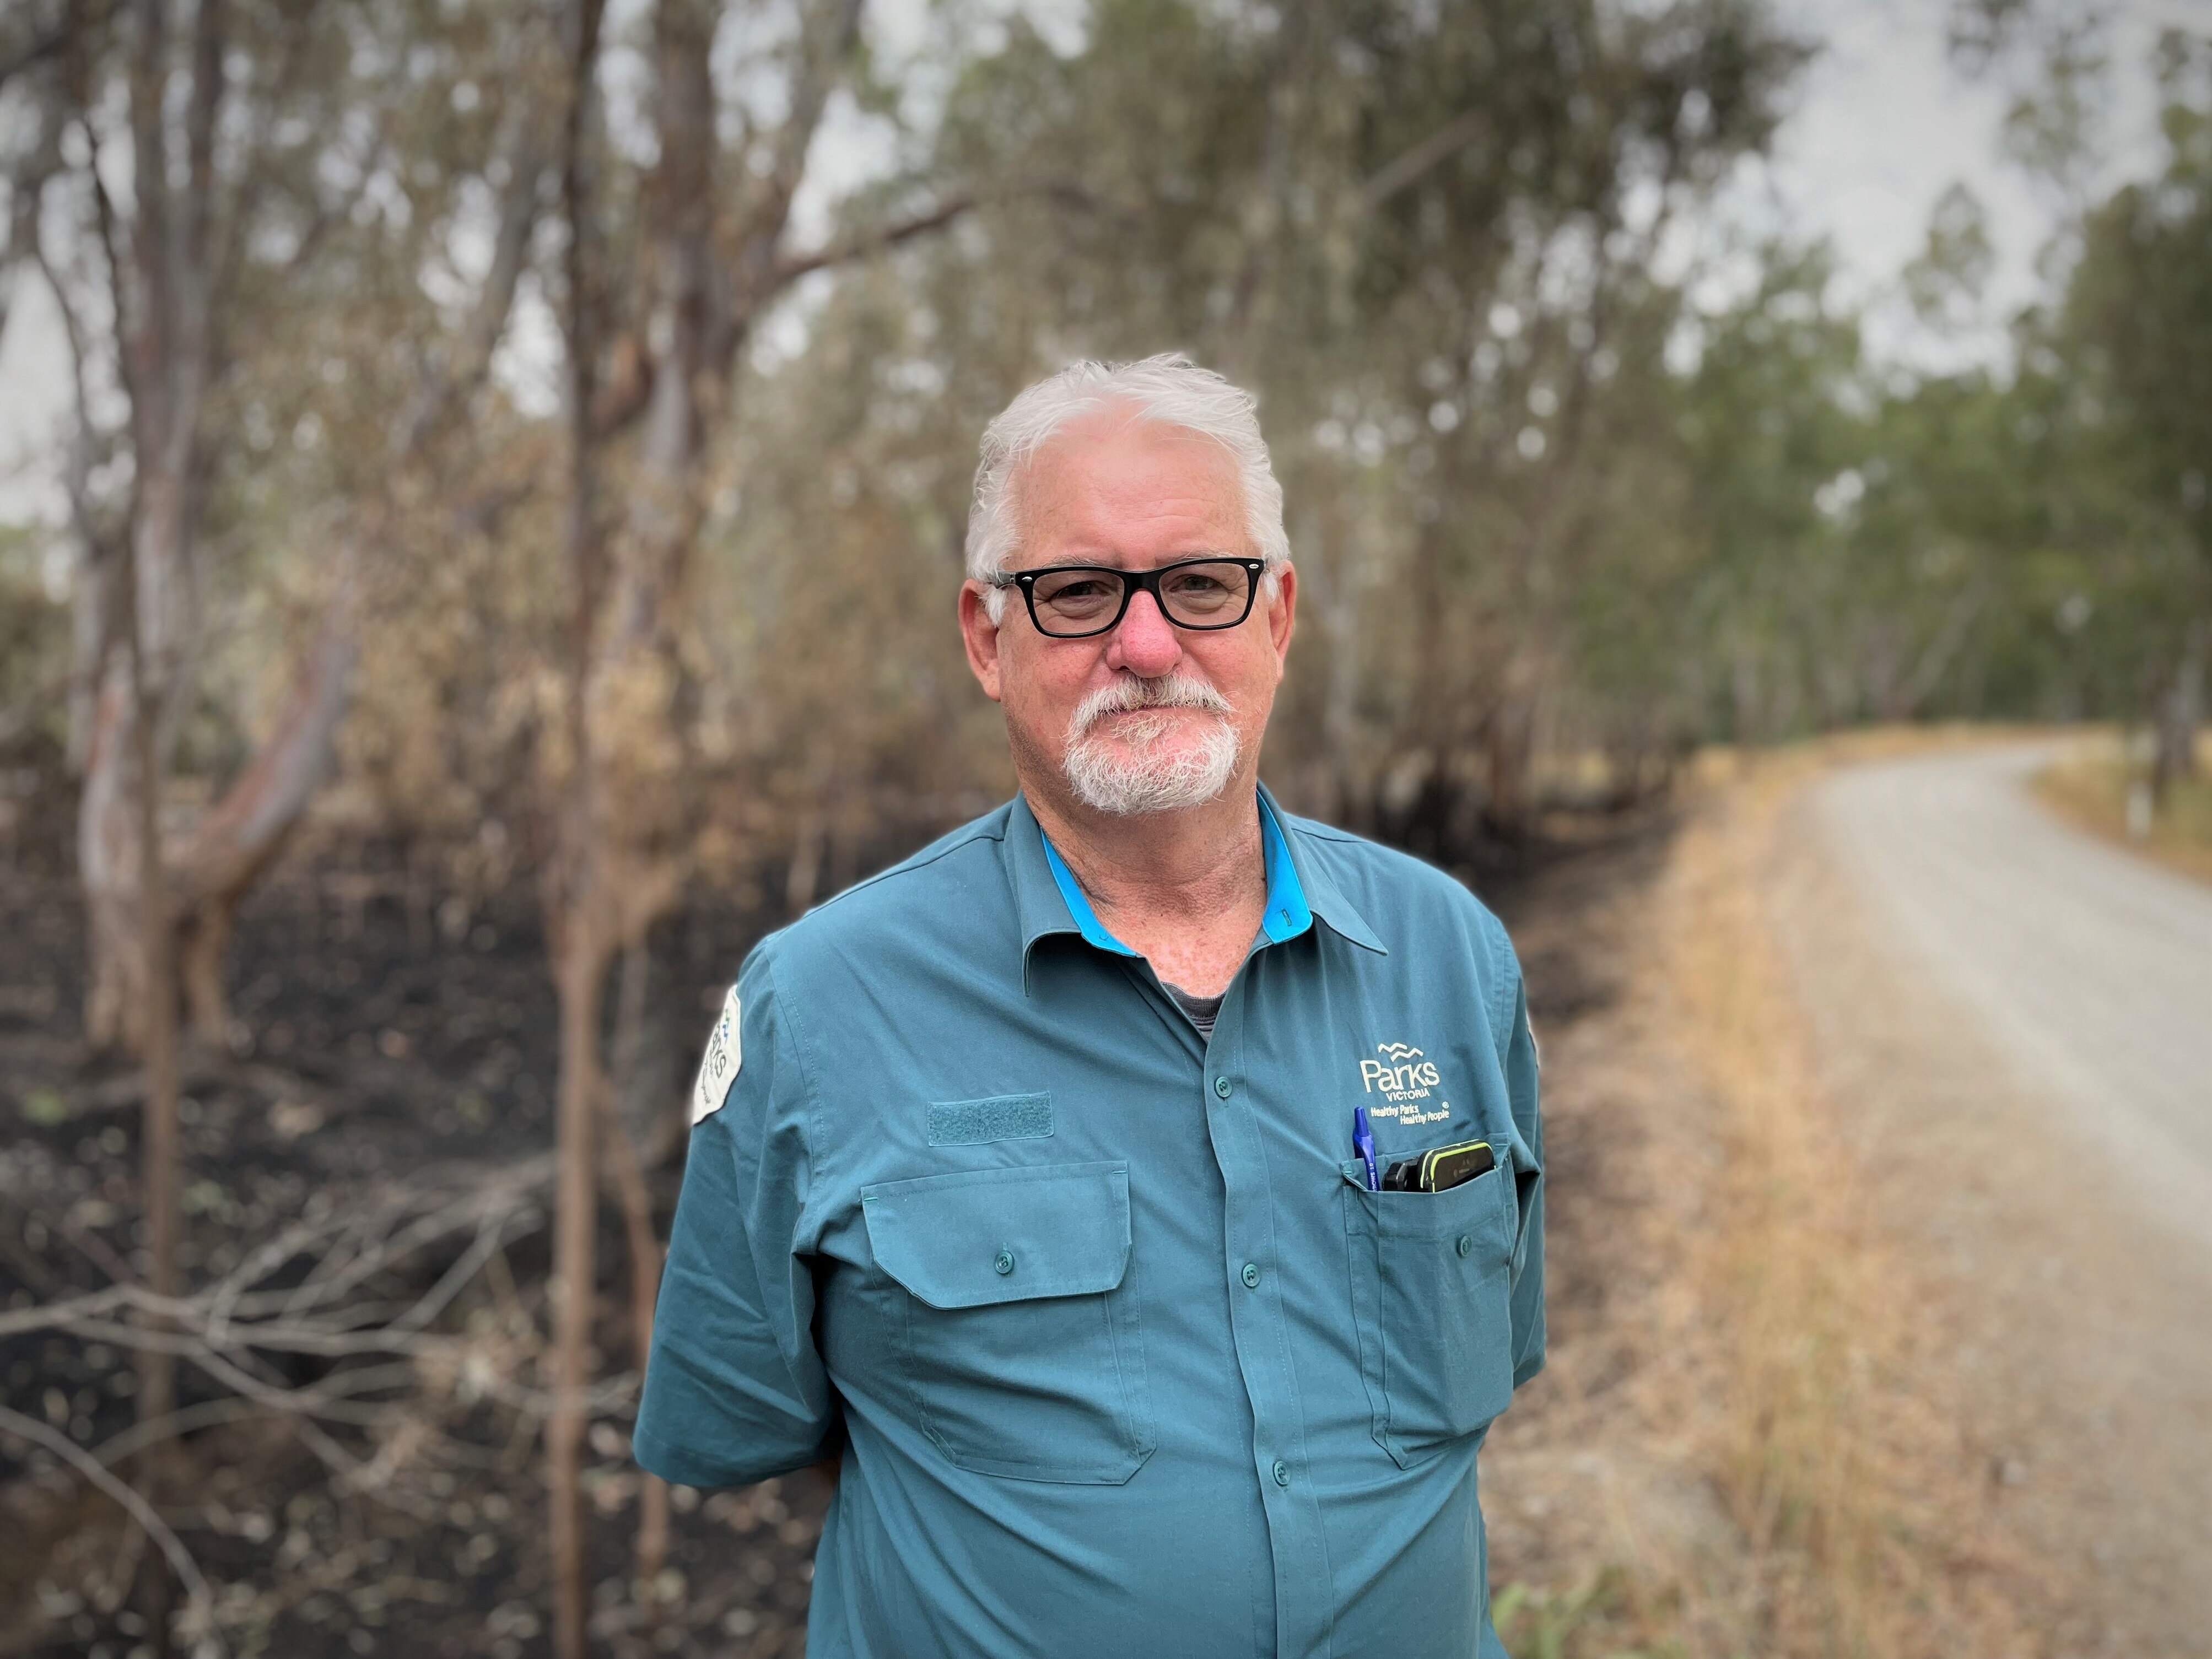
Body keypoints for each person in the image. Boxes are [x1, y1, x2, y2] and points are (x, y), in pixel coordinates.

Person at [634, 354, 1544, 1658]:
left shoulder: (1450, 955)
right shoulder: (820, 1002)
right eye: (1076, 593)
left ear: (1277, 617)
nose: (1148, 644)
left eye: (1200, 584)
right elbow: (744, 1424)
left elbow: (1489, 1364)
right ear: (984, 638)